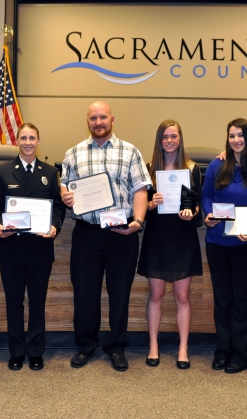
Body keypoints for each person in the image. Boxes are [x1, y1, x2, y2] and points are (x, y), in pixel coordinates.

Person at [60, 101, 151, 371]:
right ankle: (85, 346)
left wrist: (138, 221)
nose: (98, 122)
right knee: (85, 292)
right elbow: (65, 185)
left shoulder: (130, 151)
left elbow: (139, 190)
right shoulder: (73, 153)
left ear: (112, 119)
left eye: (102, 117)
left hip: (122, 233)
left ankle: (117, 347)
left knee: (119, 292)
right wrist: (65, 194)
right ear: (87, 121)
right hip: (87, 233)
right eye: (92, 118)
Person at [0, 123, 66, 371]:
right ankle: (16, 351)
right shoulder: (2, 171)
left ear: (39, 141)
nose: (28, 142)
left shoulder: (51, 172)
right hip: (11, 248)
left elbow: (59, 207)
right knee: (13, 303)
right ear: (17, 141)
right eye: (24, 138)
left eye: (32, 137)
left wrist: (55, 226)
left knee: (37, 303)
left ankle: (35, 351)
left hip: (40, 249)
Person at [202, 118, 247, 374]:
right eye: (232, 135)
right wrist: (208, 215)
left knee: (242, 300)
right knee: (222, 300)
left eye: (240, 135)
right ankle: (222, 351)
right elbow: (207, 196)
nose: (236, 140)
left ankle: (242, 355)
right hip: (218, 242)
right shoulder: (217, 165)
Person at [137, 120, 202, 369]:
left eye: (173, 136)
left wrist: (191, 211)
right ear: (159, 140)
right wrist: (151, 204)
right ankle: (153, 346)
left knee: (182, 295)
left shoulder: (193, 168)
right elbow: (142, 204)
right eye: (165, 136)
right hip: (157, 237)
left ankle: (183, 348)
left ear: (180, 138)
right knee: (156, 294)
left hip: (183, 237)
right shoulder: (149, 168)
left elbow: (196, 204)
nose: (169, 140)